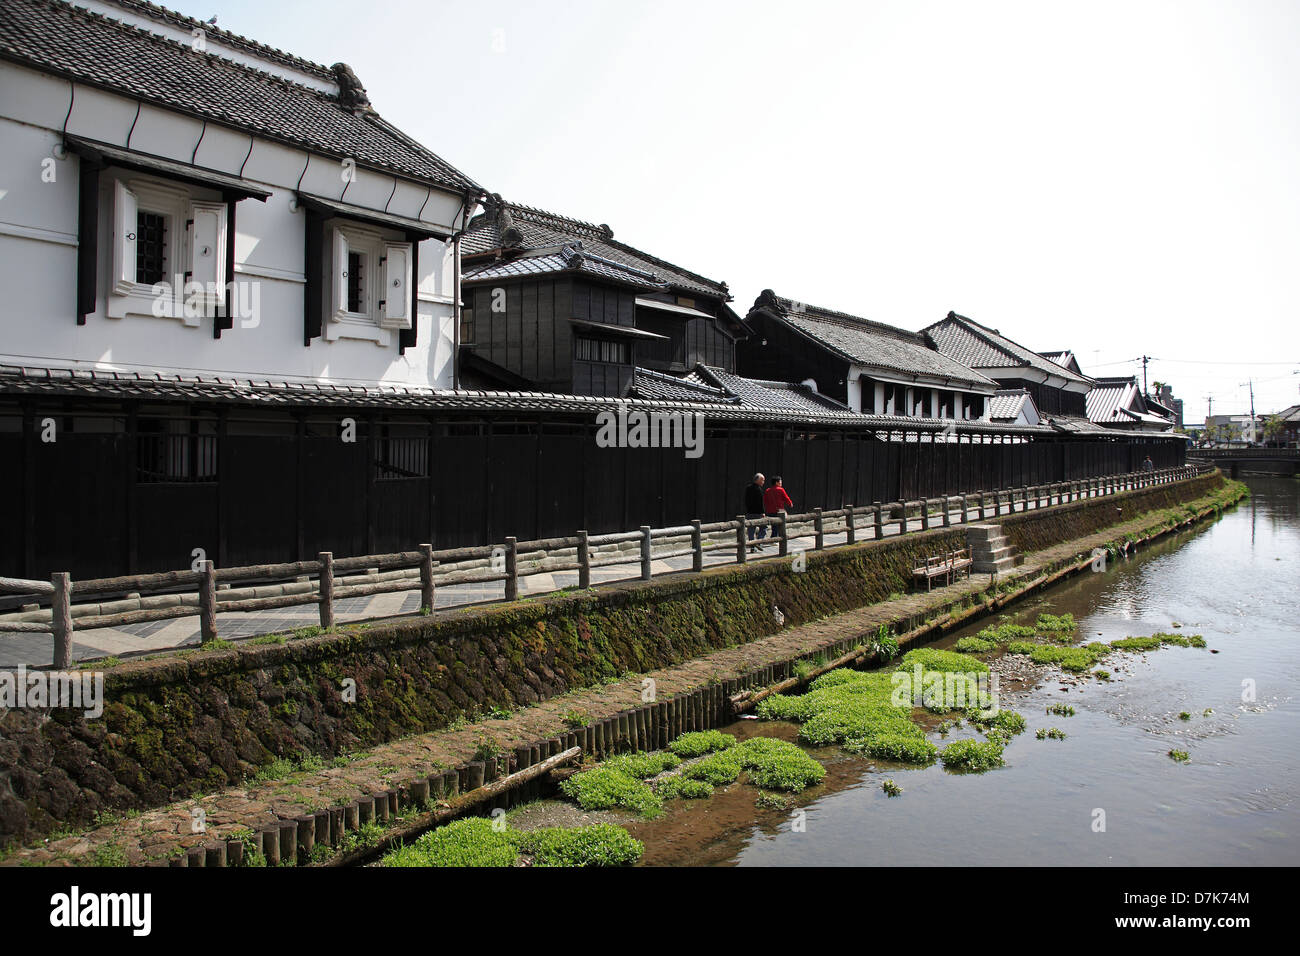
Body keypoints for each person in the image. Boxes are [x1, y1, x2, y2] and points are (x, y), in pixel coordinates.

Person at [744, 473, 767, 551]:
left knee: (751, 529)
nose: (763, 482)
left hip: (750, 512)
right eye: (762, 480)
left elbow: (746, 500)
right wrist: (763, 512)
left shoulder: (748, 488)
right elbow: (760, 502)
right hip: (758, 513)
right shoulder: (759, 489)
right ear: (758, 480)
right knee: (764, 527)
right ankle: (758, 542)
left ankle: (752, 546)